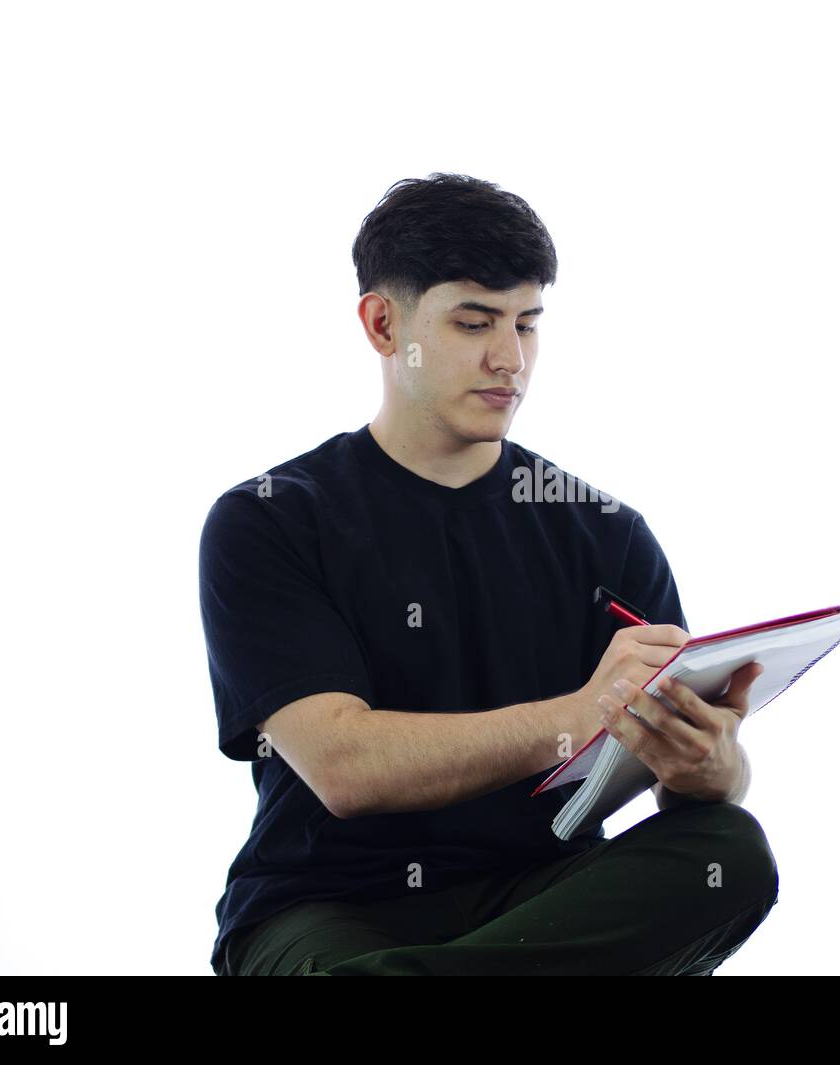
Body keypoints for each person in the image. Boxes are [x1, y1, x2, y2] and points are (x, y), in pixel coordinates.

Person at [198, 173, 779, 975]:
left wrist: (713, 763)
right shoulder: (271, 519)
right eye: (474, 323)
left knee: (729, 848)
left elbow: (679, 791)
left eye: (527, 325)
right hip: (326, 906)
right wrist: (580, 713)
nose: (509, 359)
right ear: (381, 323)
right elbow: (345, 766)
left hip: (541, 901)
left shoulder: (606, 534)